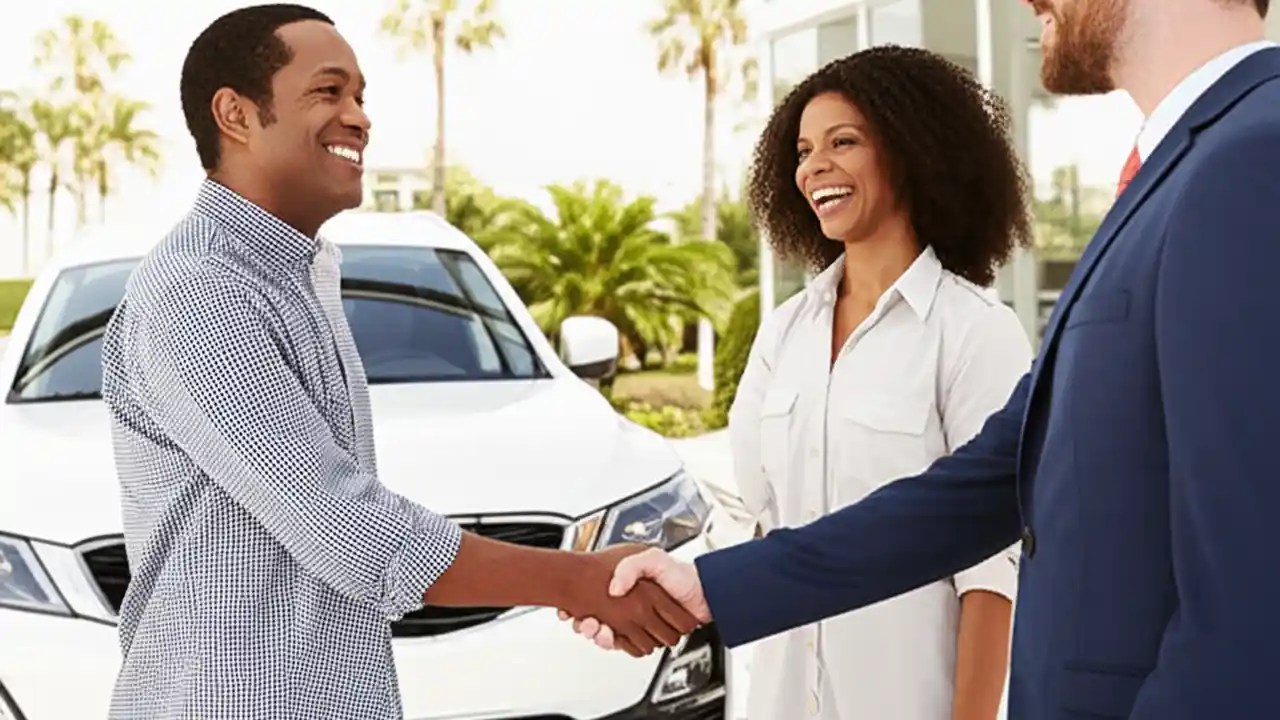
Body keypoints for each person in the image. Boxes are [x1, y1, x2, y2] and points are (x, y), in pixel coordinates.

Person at [574, 1, 1280, 717]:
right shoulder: (1181, 169)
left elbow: (1254, 596)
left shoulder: (1252, 157)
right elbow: (982, 485)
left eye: (845, 141)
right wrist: (714, 585)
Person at [99, 5, 696, 719]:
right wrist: (574, 579)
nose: (358, 117)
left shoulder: (296, 274)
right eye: (328, 91)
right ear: (235, 114)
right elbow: (347, 527)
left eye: (360, 96)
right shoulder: (200, 291)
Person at [578, 46, 1033, 720]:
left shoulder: (975, 334)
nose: (814, 166)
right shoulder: (783, 332)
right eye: (802, 150)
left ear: (912, 152)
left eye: (843, 142)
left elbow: (991, 576)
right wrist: (644, 593)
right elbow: (757, 528)